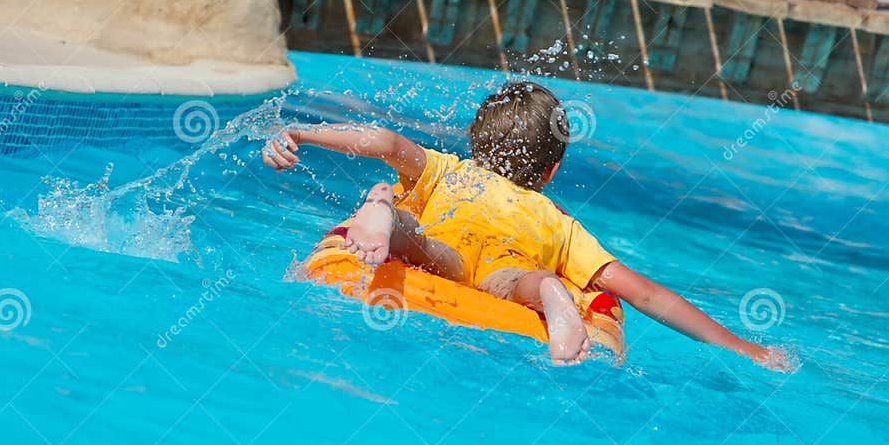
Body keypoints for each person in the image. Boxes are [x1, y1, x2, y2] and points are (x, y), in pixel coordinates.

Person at [263, 82, 787, 370]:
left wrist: (302, 134)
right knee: (523, 282)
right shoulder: (557, 223)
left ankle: (382, 212)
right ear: (552, 171)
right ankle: (550, 294)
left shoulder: (447, 171)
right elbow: (647, 294)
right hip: (503, 274)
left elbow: (382, 140)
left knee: (419, 240)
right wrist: (746, 348)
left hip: (443, 253)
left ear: (474, 141)